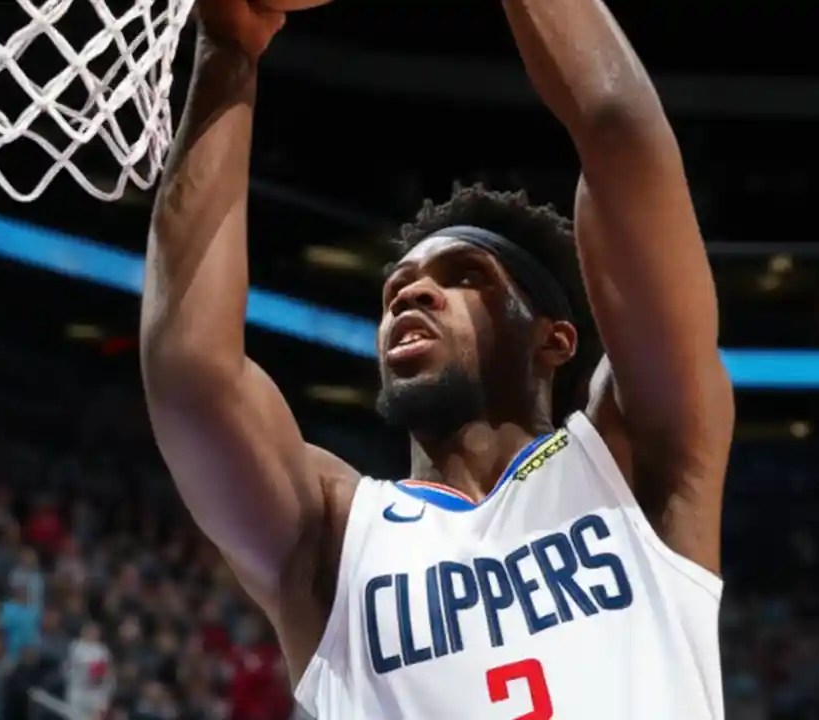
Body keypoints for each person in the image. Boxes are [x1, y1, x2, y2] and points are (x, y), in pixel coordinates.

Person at [140, 0, 734, 717]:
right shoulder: (334, 533)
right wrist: (229, 45)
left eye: (465, 277)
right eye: (396, 288)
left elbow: (619, 132)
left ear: (555, 337)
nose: (413, 291)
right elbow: (191, 372)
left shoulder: (634, 460)